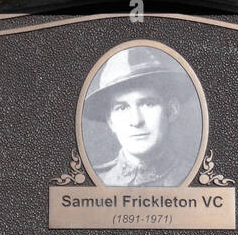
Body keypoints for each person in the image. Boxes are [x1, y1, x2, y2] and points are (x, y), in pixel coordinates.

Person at [82, 44, 201, 187]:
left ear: (172, 110)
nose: (136, 120)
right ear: (111, 121)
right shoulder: (91, 180)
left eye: (148, 104)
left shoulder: (196, 177)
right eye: (122, 108)